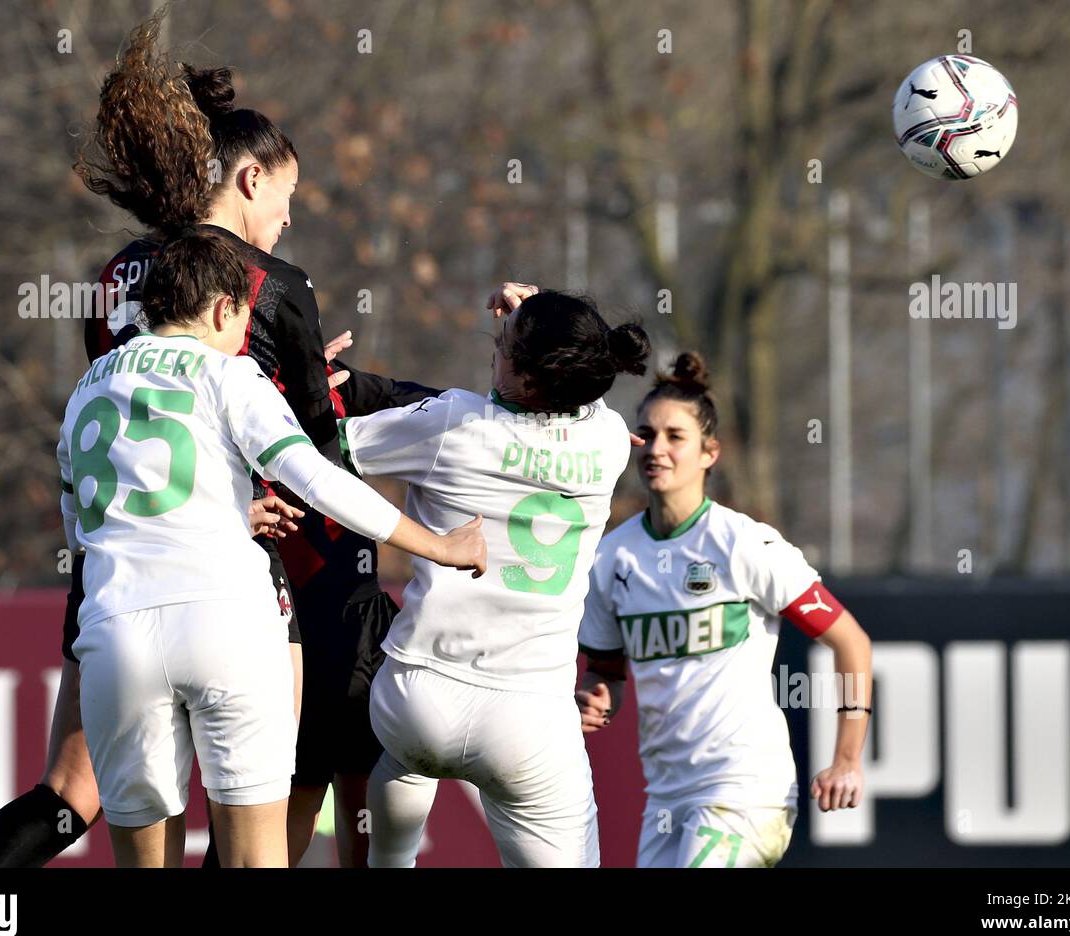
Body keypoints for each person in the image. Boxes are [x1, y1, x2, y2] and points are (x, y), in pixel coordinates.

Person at [60, 231, 484, 866]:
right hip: (226, 625)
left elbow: (86, 529)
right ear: (226, 311)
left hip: (119, 637)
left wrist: (229, 512)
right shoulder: (229, 371)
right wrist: (438, 545)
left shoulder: (87, 388)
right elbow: (317, 479)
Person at [345, 289, 651, 867]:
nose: (495, 349)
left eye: (506, 344)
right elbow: (577, 391)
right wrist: (537, 316)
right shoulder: (609, 440)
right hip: (528, 717)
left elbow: (327, 451)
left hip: (418, 696)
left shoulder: (452, 421)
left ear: (532, 379)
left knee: (402, 771)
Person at [575, 352, 873, 868]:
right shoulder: (611, 557)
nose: (658, 448)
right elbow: (607, 675)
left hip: (745, 791)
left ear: (710, 453)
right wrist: (598, 696)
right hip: (667, 799)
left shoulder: (743, 544)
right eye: (647, 434)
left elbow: (850, 641)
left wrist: (847, 757)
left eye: (676, 436)